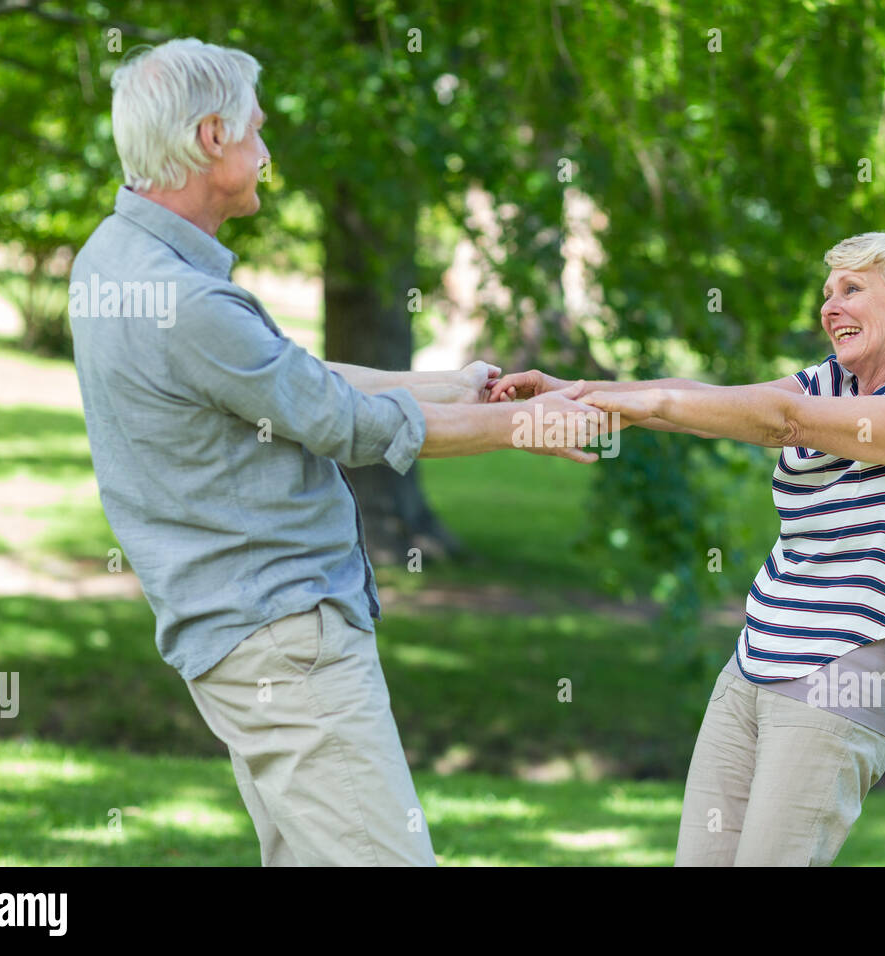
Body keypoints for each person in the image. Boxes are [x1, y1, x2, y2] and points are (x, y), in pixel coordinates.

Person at [69, 38, 603, 866]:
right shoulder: (185, 300)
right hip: (281, 637)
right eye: (256, 130)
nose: (266, 151)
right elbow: (344, 423)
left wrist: (453, 385)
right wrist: (528, 427)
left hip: (239, 637)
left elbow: (285, 378)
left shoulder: (117, 259)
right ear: (212, 138)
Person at [490, 231, 885, 866]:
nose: (829, 306)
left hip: (842, 674)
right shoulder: (825, 383)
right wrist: (577, 389)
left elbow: (782, 421)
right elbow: (711, 405)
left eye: (852, 290)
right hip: (752, 664)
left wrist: (647, 401)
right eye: (827, 293)